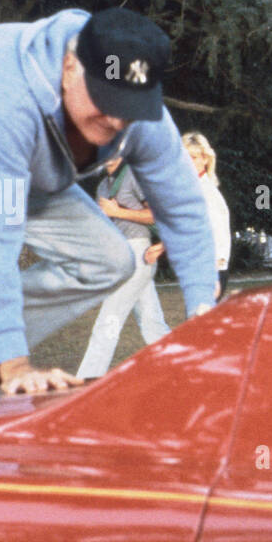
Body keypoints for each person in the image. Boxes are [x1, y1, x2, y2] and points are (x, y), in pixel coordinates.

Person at [0, 7, 218, 396]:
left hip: (18, 170)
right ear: (68, 65)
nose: (115, 122)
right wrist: (14, 364)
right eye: (106, 100)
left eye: (128, 108)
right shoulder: (6, 99)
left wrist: (202, 313)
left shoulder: (144, 116)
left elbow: (183, 209)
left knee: (110, 262)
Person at [74, 158, 171, 379]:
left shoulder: (134, 175)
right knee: (152, 325)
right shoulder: (102, 186)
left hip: (137, 253)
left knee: (107, 323)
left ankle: (83, 384)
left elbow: (156, 215)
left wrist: (118, 212)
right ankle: (183, 372)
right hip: (119, 255)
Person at [182, 131, 232, 297]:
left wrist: (215, 268)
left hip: (210, 269)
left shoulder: (207, 191)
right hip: (197, 267)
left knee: (200, 320)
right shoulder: (191, 189)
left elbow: (219, 231)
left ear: (205, 159)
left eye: (194, 157)